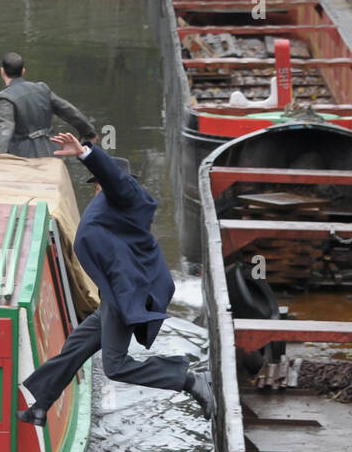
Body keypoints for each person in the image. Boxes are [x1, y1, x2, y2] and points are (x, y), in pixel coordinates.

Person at [17, 133, 214, 424]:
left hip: (126, 294)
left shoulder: (127, 196)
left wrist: (86, 154)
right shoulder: (112, 207)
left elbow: (115, 180)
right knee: (76, 347)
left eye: (100, 180)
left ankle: (190, 380)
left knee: (115, 366)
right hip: (114, 293)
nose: (97, 186)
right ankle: (41, 406)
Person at [0, 52, 94, 156]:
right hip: (53, 150)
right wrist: (89, 132)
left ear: (2, 71)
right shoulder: (42, 88)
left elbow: (5, 130)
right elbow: (68, 111)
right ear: (23, 71)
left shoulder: (5, 97)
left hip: (23, 154)